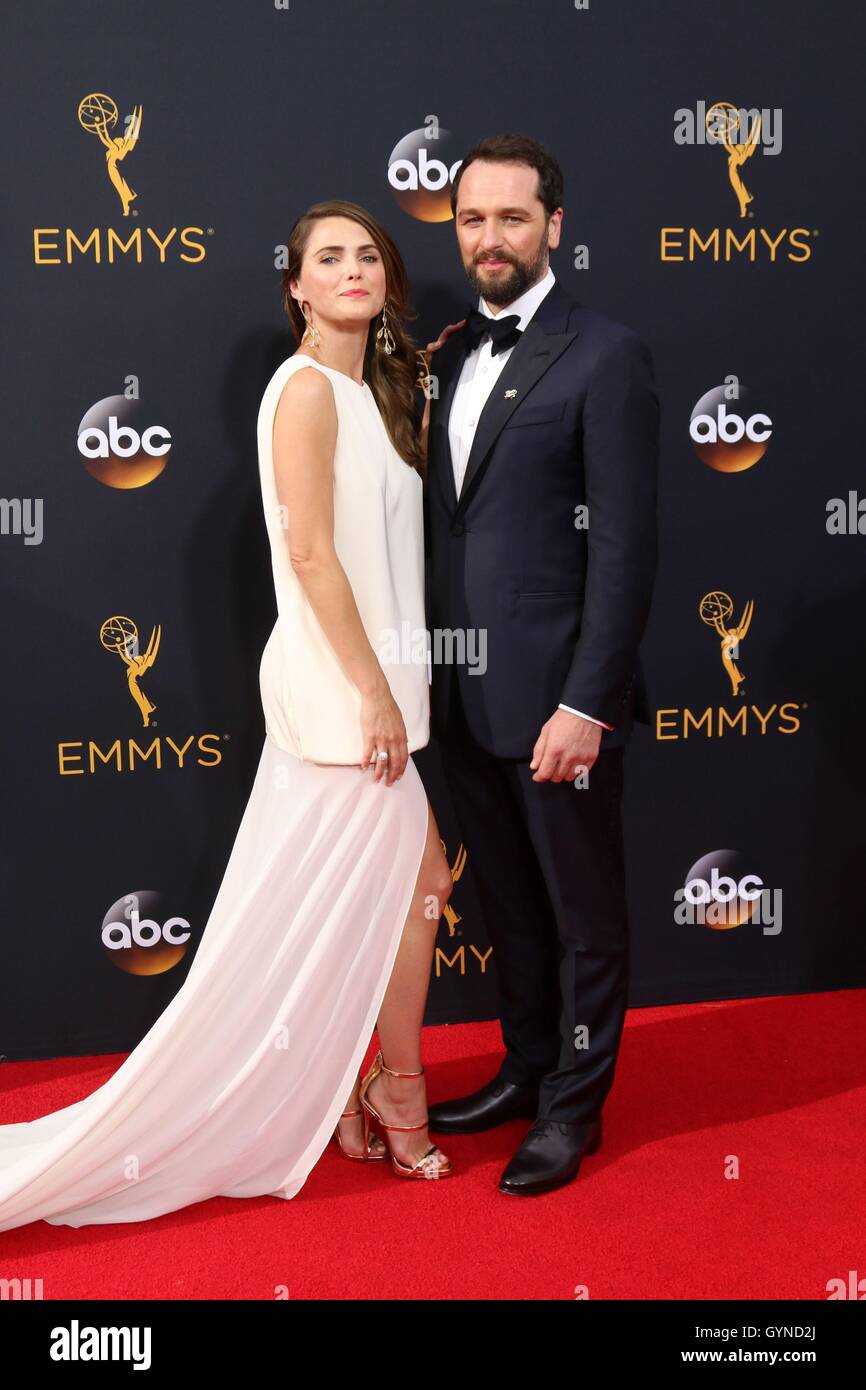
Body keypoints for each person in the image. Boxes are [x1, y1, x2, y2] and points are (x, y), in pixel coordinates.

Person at [0, 200, 453, 1231]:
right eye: (326, 258)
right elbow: (307, 555)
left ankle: (360, 1086)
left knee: (398, 889)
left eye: (366, 255)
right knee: (410, 886)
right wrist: (375, 692)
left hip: (370, 688)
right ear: (293, 284)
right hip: (344, 696)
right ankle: (396, 1089)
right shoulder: (301, 393)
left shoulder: (363, 390)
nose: (350, 269)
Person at [424, 134, 660, 1196]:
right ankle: (523, 1068)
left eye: (510, 218)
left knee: (581, 918)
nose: (488, 238)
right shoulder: (441, 359)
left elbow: (623, 547)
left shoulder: (604, 354)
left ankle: (574, 1107)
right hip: (463, 696)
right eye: (471, 219)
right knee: (509, 909)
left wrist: (586, 700)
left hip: (556, 702)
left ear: (552, 227)